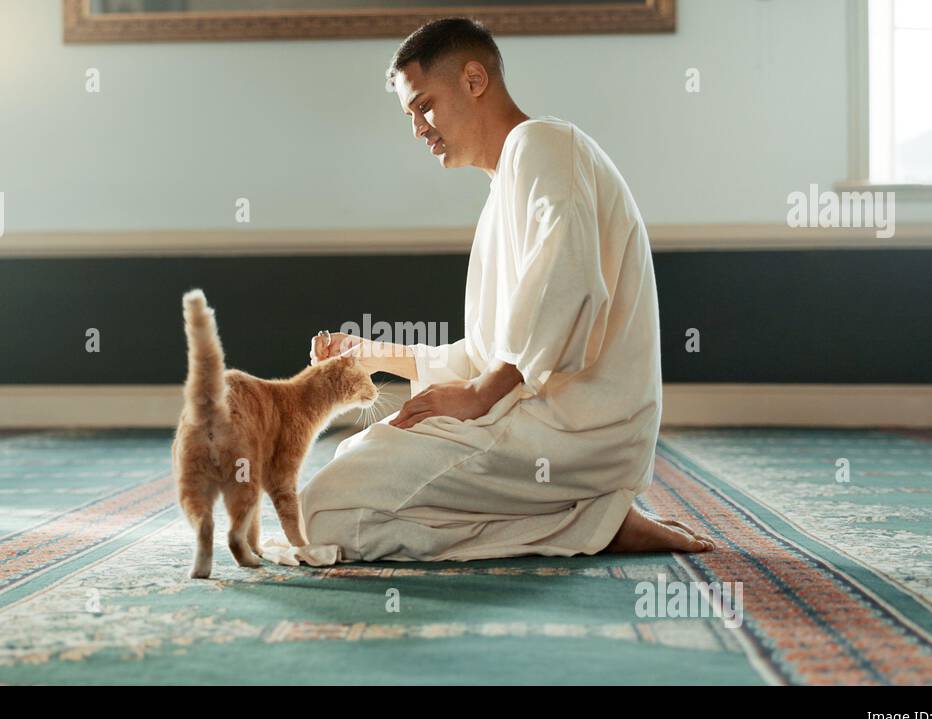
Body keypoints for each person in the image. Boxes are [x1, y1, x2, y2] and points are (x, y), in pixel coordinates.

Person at [292, 17, 714, 565]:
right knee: (343, 478)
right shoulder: (505, 188)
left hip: (578, 429)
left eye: (424, 105)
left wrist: (481, 394)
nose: (418, 128)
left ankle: (593, 516)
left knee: (322, 514)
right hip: (532, 418)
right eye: (409, 115)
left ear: (473, 80)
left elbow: (571, 282)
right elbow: (485, 354)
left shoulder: (542, 143)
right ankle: (591, 519)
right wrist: (373, 357)